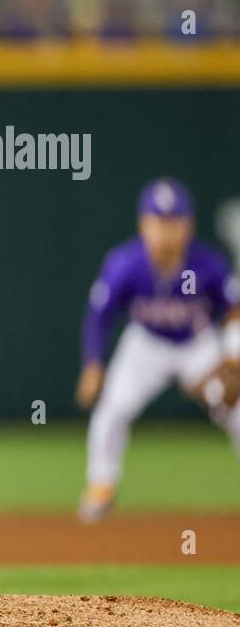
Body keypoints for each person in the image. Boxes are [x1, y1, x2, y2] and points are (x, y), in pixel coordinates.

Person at [76, 178, 240, 522]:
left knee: (237, 411)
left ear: (188, 226)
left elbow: (235, 308)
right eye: (158, 222)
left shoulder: (207, 264)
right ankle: (101, 487)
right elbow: (99, 315)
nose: (165, 232)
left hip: (197, 343)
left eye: (173, 223)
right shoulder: (125, 264)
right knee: (112, 410)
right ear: (143, 225)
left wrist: (231, 357)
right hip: (145, 345)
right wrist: (93, 363)